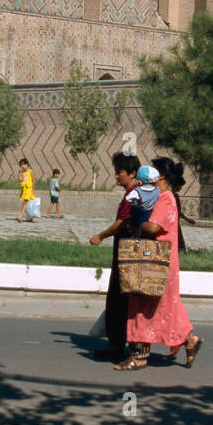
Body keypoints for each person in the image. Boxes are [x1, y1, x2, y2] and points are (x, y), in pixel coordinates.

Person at [115, 162, 203, 371]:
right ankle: (188, 340)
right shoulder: (158, 197)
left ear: (161, 177)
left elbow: (154, 226)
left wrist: (135, 223)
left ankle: (140, 356)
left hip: (155, 263)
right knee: (163, 308)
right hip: (157, 261)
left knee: (143, 305)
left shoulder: (165, 198)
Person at [89, 151, 140, 361]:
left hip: (127, 251)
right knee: (120, 299)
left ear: (132, 173)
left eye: (119, 172)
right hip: (125, 250)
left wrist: (100, 236)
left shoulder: (133, 194)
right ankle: (118, 343)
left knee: (119, 300)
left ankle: (119, 345)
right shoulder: (133, 192)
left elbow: (121, 223)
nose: (116, 176)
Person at [150, 156, 189, 255]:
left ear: (161, 176)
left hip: (163, 256)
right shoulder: (162, 196)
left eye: (152, 171)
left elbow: (153, 228)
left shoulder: (166, 198)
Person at [16, 157, 34, 221]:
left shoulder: (30, 171)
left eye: (22, 165)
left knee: (25, 203)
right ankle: (30, 218)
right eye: (20, 165)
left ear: (27, 164)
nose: (21, 166)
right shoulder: (22, 173)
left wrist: (33, 191)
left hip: (29, 189)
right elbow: (20, 180)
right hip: (24, 190)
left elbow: (33, 181)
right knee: (26, 204)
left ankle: (20, 216)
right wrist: (19, 173)